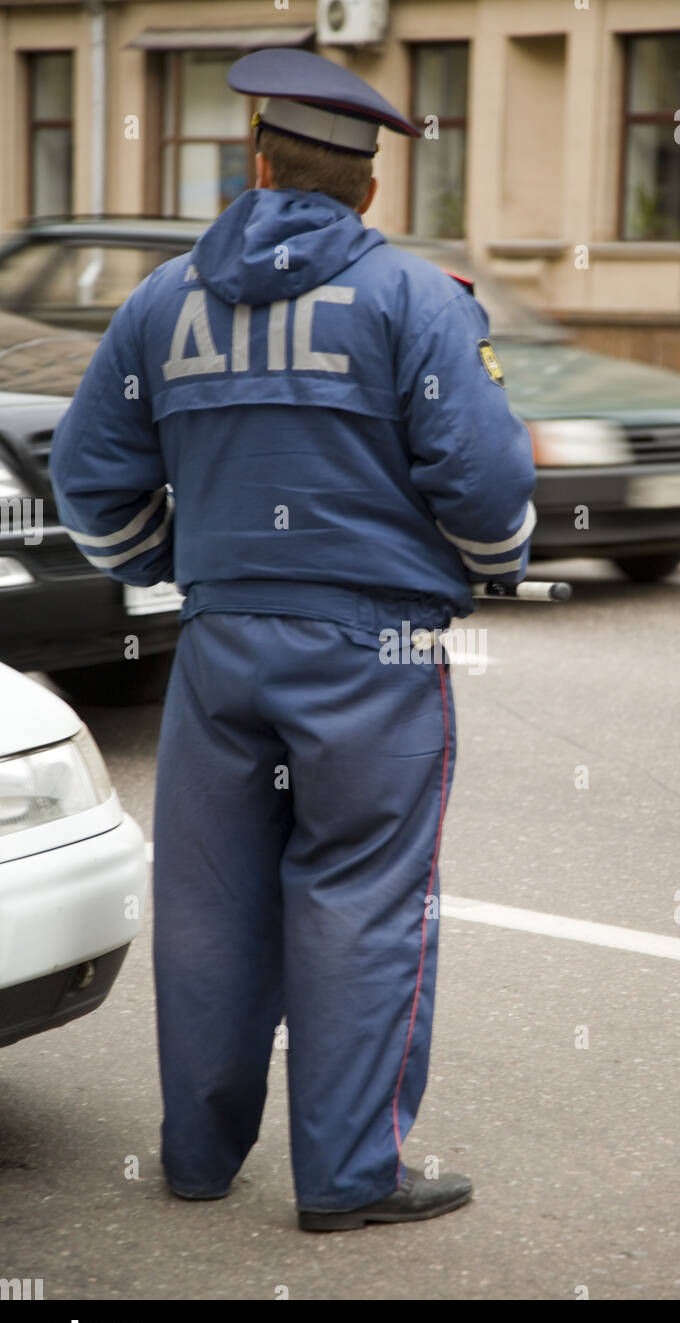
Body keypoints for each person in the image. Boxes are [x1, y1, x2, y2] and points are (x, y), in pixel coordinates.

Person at [49, 49, 536, 1231]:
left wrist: (181, 566)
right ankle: (349, 1176)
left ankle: (199, 1159)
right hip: (370, 653)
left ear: (255, 164)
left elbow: (89, 481)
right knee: (362, 900)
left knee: (212, 904)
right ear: (365, 191)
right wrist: (482, 575)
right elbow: (485, 489)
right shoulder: (415, 300)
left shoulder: (162, 301)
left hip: (219, 649)